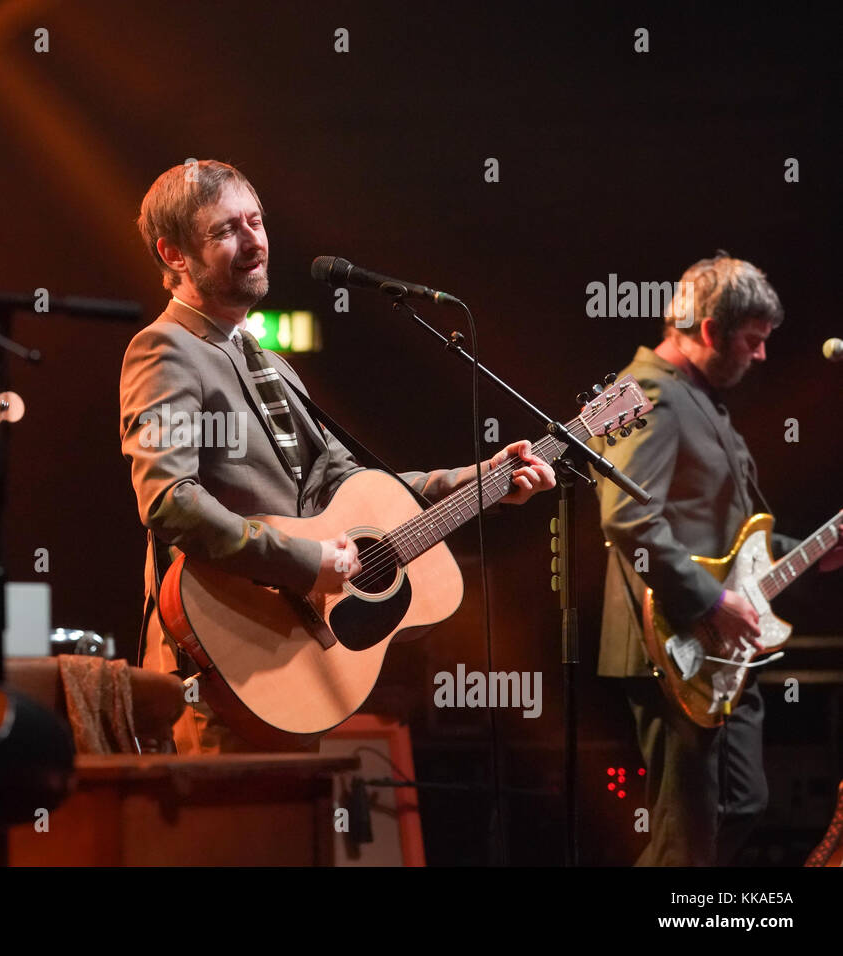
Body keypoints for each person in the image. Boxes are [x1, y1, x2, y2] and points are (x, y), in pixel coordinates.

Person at [119, 161, 555, 754]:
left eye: (256, 221)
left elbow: (354, 489)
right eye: (226, 231)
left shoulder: (272, 364)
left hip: (291, 667)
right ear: (173, 255)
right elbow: (169, 503)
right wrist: (306, 561)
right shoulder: (165, 348)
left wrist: (483, 478)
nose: (254, 242)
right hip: (223, 669)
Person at [592, 252, 843, 866]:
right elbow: (625, 517)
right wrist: (710, 601)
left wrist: (814, 555)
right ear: (710, 331)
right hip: (672, 642)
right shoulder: (643, 391)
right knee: (689, 841)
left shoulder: (698, 399)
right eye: (753, 342)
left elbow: (730, 539)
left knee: (739, 804)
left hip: (717, 646)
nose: (761, 357)